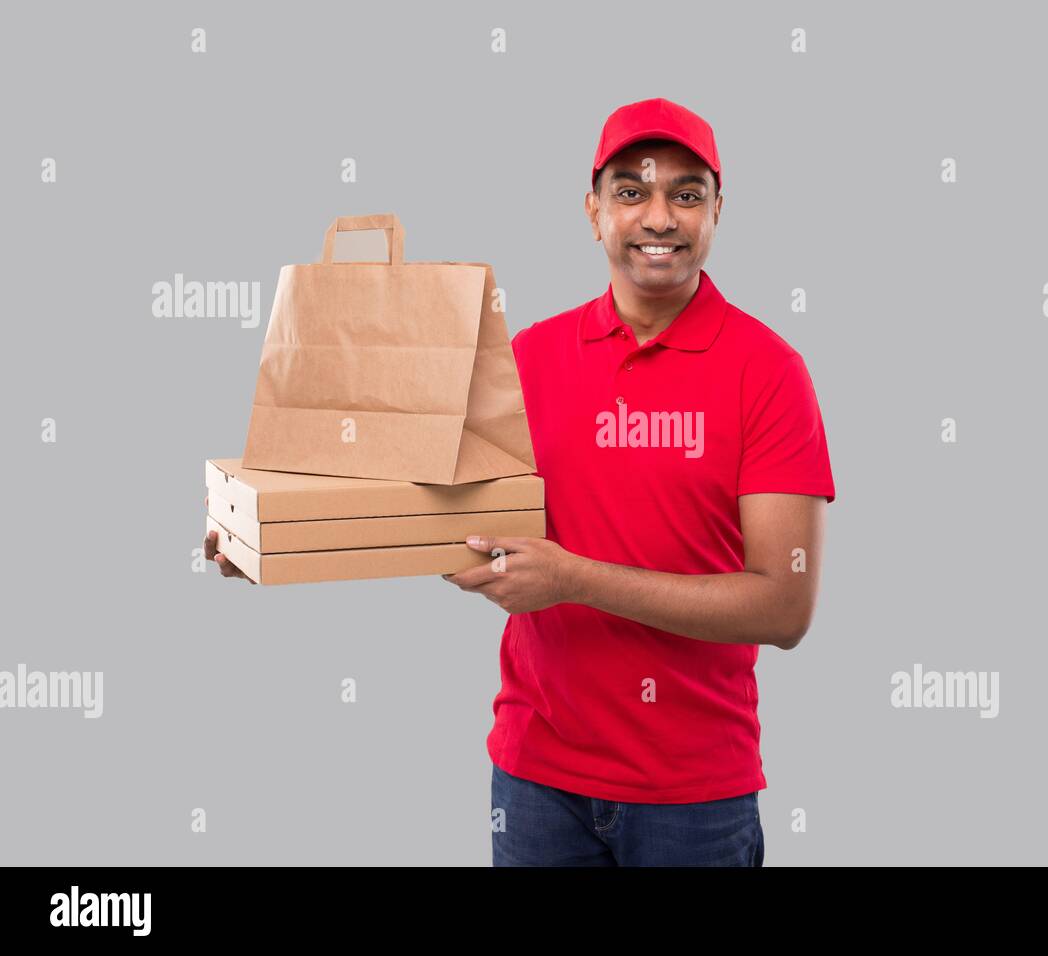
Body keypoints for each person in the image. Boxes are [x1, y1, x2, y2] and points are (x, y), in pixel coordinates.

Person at [205, 97, 836, 867]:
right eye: (631, 193)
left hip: (695, 797)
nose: (659, 217)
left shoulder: (769, 373)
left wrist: (574, 578)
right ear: (593, 210)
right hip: (536, 782)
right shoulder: (527, 360)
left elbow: (783, 604)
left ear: (717, 211)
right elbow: (439, 512)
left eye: (686, 193)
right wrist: (279, 535)